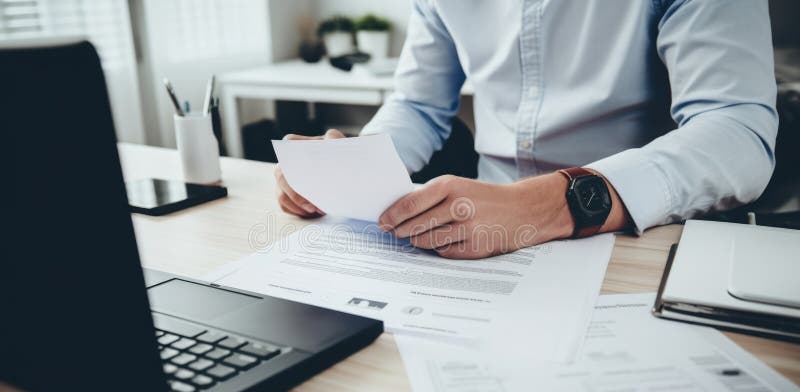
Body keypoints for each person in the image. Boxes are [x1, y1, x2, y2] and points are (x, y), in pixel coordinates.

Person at [275, 0, 777, 259]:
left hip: (643, 236)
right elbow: (417, 104)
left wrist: (539, 207)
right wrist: (351, 165)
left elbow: (737, 130)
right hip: (480, 238)